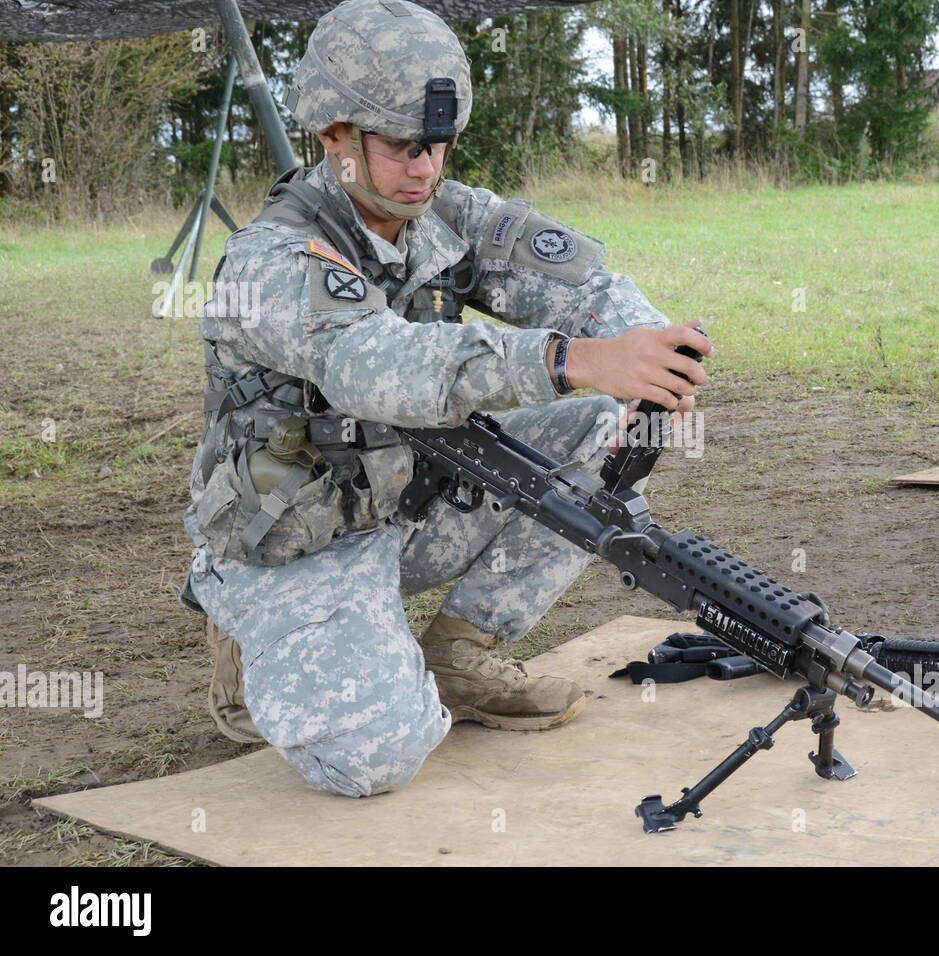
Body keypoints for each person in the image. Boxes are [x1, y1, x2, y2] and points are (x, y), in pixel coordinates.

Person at [179, 0, 714, 798]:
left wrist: (649, 357)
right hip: (297, 538)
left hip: (403, 508)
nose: (427, 167)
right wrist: (575, 360)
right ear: (333, 137)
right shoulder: (275, 261)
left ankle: (459, 655)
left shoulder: (446, 213)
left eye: (439, 144)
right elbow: (383, 365)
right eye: (402, 146)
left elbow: (587, 290)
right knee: (377, 762)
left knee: (606, 421)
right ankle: (248, 623)